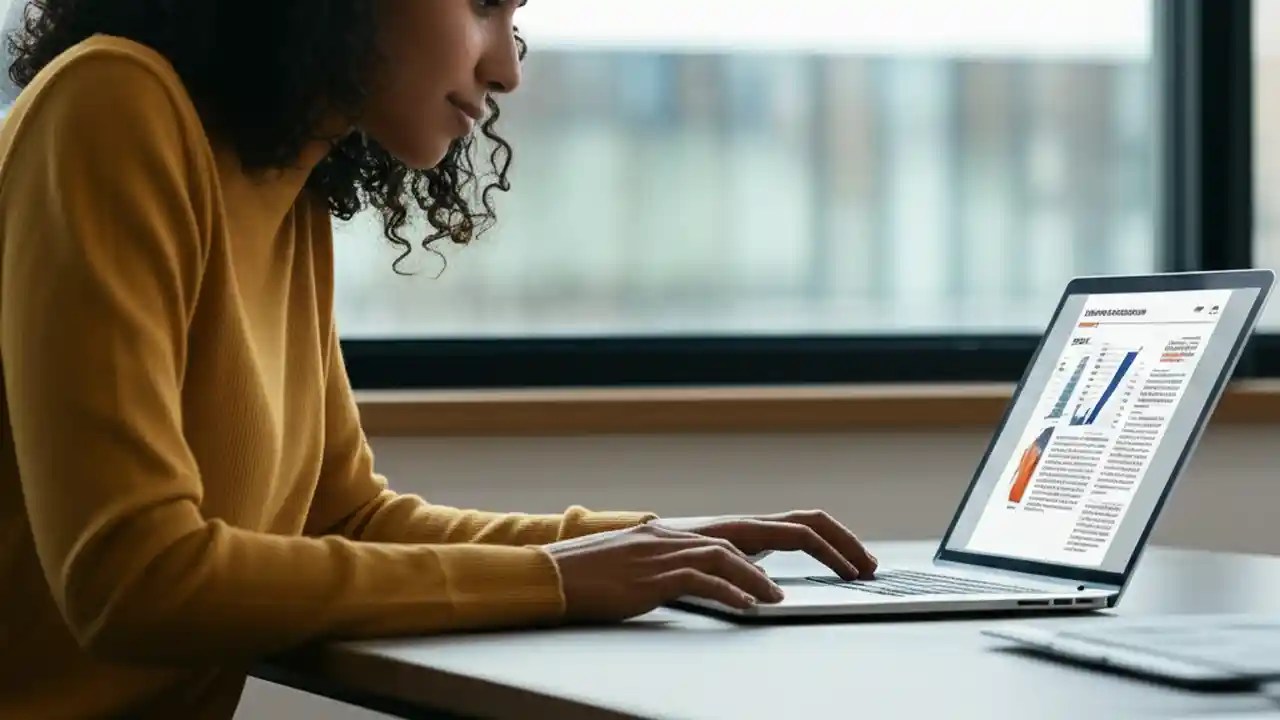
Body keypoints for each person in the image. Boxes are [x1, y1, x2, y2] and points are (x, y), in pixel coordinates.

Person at [0, 1, 878, 717]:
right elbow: (133, 580)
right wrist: (555, 578)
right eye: (485, 5)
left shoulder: (289, 193)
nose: (507, 67)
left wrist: (639, 548)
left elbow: (341, 520)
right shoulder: (112, 105)